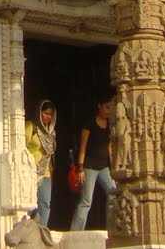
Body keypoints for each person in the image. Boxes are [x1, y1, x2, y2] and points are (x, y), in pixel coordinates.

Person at [69, 98, 116, 231]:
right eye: (107, 107)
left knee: (113, 193)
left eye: (110, 108)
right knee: (86, 201)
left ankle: (111, 228)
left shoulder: (110, 124)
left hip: (104, 167)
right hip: (89, 166)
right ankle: (76, 232)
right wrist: (80, 168)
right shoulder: (89, 123)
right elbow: (83, 147)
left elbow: (109, 148)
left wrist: (113, 167)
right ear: (99, 106)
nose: (109, 111)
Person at [24, 100, 57, 227]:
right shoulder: (30, 127)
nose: (48, 117)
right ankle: (26, 231)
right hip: (30, 172)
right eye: (46, 113)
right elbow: (22, 148)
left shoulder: (51, 132)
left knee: (45, 204)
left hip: (46, 173)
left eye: (51, 114)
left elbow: (50, 154)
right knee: (29, 204)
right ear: (39, 113)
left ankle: (41, 232)